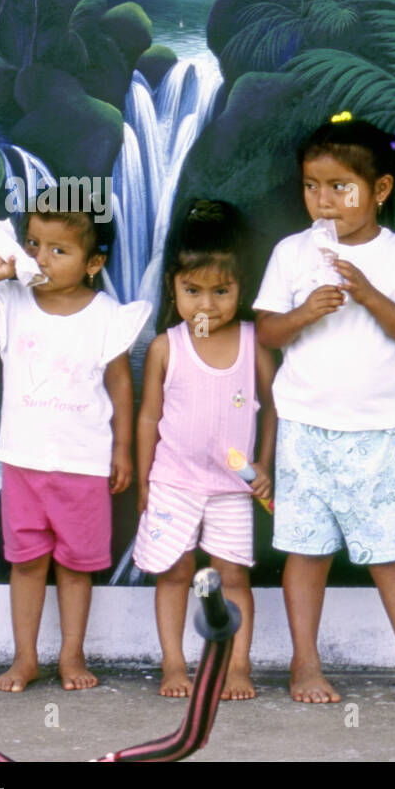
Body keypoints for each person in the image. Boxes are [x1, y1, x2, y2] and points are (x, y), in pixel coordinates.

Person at [254, 111, 395, 705]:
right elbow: (266, 332)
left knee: (391, 553)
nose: (323, 201)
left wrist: (366, 292)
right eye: (312, 186)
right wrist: (305, 311)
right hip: (306, 428)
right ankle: (304, 664)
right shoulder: (291, 253)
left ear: (380, 189)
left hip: (380, 431)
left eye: (340, 186)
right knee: (306, 551)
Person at [0, 206, 150, 692]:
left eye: (60, 250)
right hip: (24, 462)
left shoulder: (106, 318)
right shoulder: (12, 299)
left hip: (83, 463)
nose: (42, 258)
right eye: (34, 244)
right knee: (28, 562)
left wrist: (122, 449)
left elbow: (120, 384)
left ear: (92, 264)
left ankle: (72, 657)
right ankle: (25, 658)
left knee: (77, 567)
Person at [133, 200, 276, 701]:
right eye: (192, 291)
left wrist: (265, 468)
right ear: (173, 286)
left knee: (232, 575)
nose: (207, 305)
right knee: (174, 573)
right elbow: (148, 416)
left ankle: (238, 666)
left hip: (232, 487)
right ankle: (174, 664)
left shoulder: (255, 342)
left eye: (221, 292)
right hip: (174, 480)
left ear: (241, 289)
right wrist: (144, 480)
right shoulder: (165, 347)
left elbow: (274, 409)